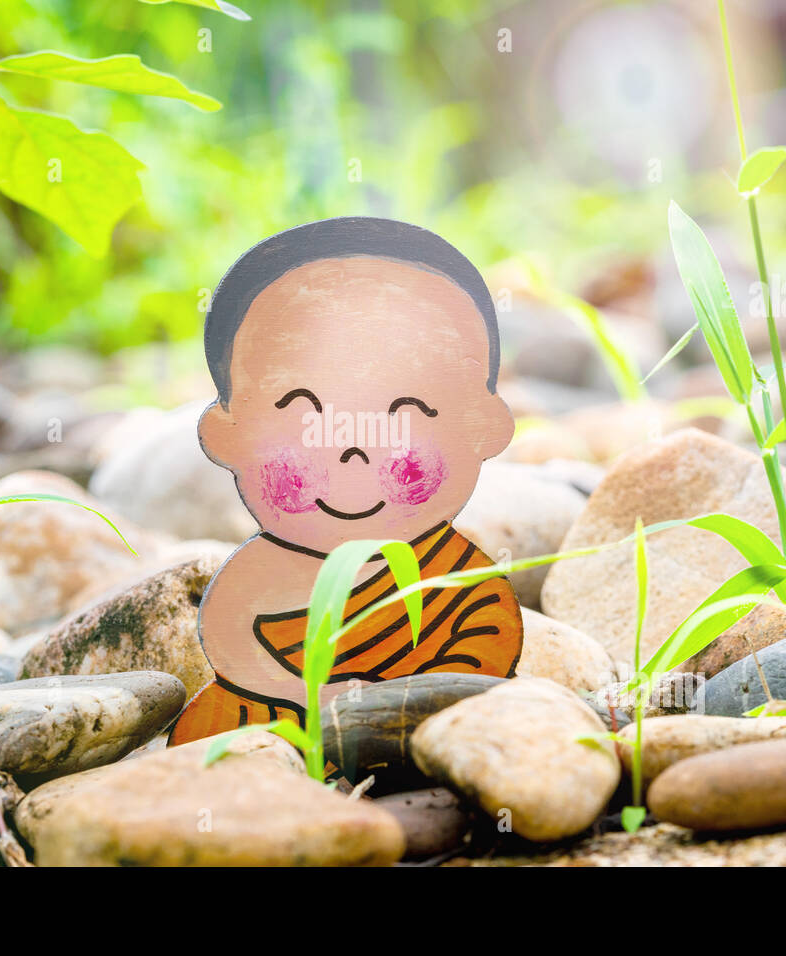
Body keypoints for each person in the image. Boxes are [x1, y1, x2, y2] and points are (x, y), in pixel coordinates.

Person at [168, 217, 524, 745]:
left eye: (406, 414)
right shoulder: (259, 572)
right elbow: (230, 639)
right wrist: (299, 694)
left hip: (417, 727)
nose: (353, 451)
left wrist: (404, 704)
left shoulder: (458, 580)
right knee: (217, 729)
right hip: (275, 712)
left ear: (483, 428)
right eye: (303, 414)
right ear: (227, 433)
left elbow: (485, 651)